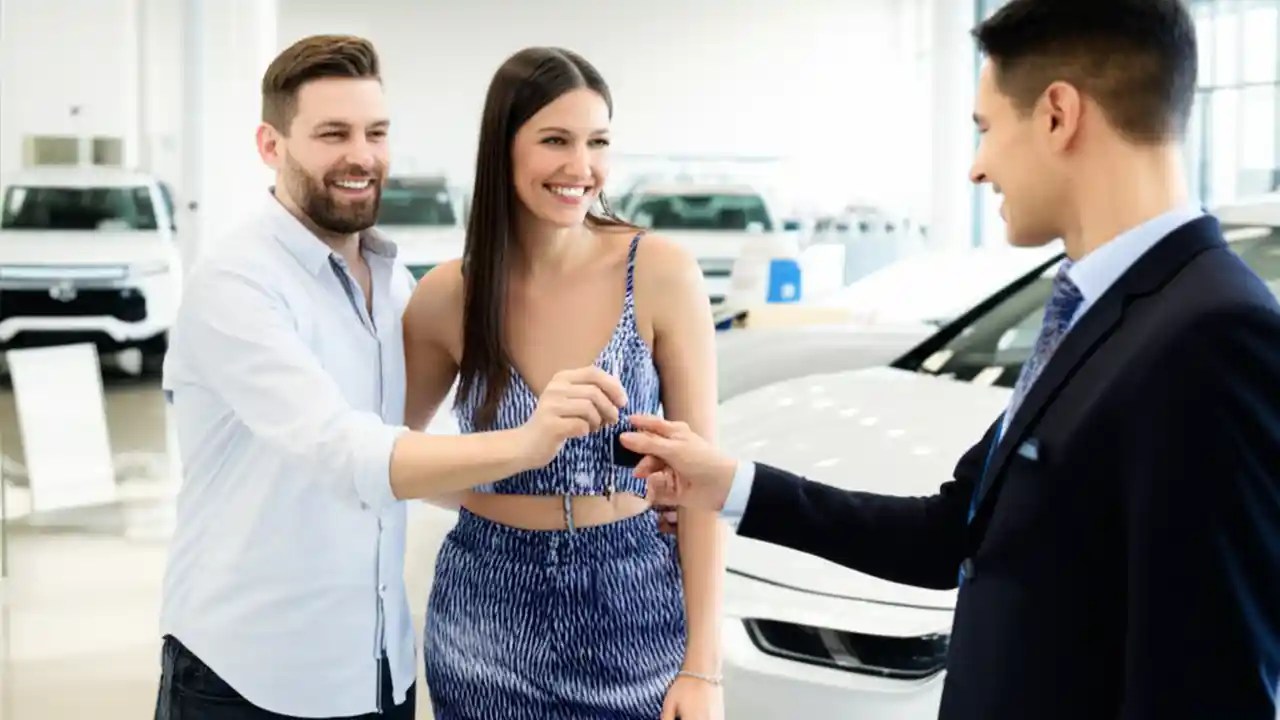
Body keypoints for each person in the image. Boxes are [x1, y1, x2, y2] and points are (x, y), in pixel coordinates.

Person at [620, 2, 1280, 719]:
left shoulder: (1213, 332)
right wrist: (728, 484)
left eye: (986, 129)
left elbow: (1209, 685)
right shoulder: (1098, 308)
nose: (976, 167)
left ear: (1058, 114)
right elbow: (951, 533)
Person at [154, 36, 626, 720]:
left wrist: (594, 502)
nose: (362, 155)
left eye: (376, 132)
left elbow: (419, 454)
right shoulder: (238, 283)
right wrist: (530, 442)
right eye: (332, 134)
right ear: (270, 144)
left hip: (378, 669)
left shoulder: (393, 283)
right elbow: (348, 453)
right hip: (247, 675)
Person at [402, 47, 725, 720]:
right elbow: (383, 457)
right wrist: (500, 469)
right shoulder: (448, 296)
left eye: (597, 142)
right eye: (555, 140)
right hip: (484, 615)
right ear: (504, 147)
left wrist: (705, 668)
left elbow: (703, 481)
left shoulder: (660, 272)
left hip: (633, 600)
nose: (581, 168)